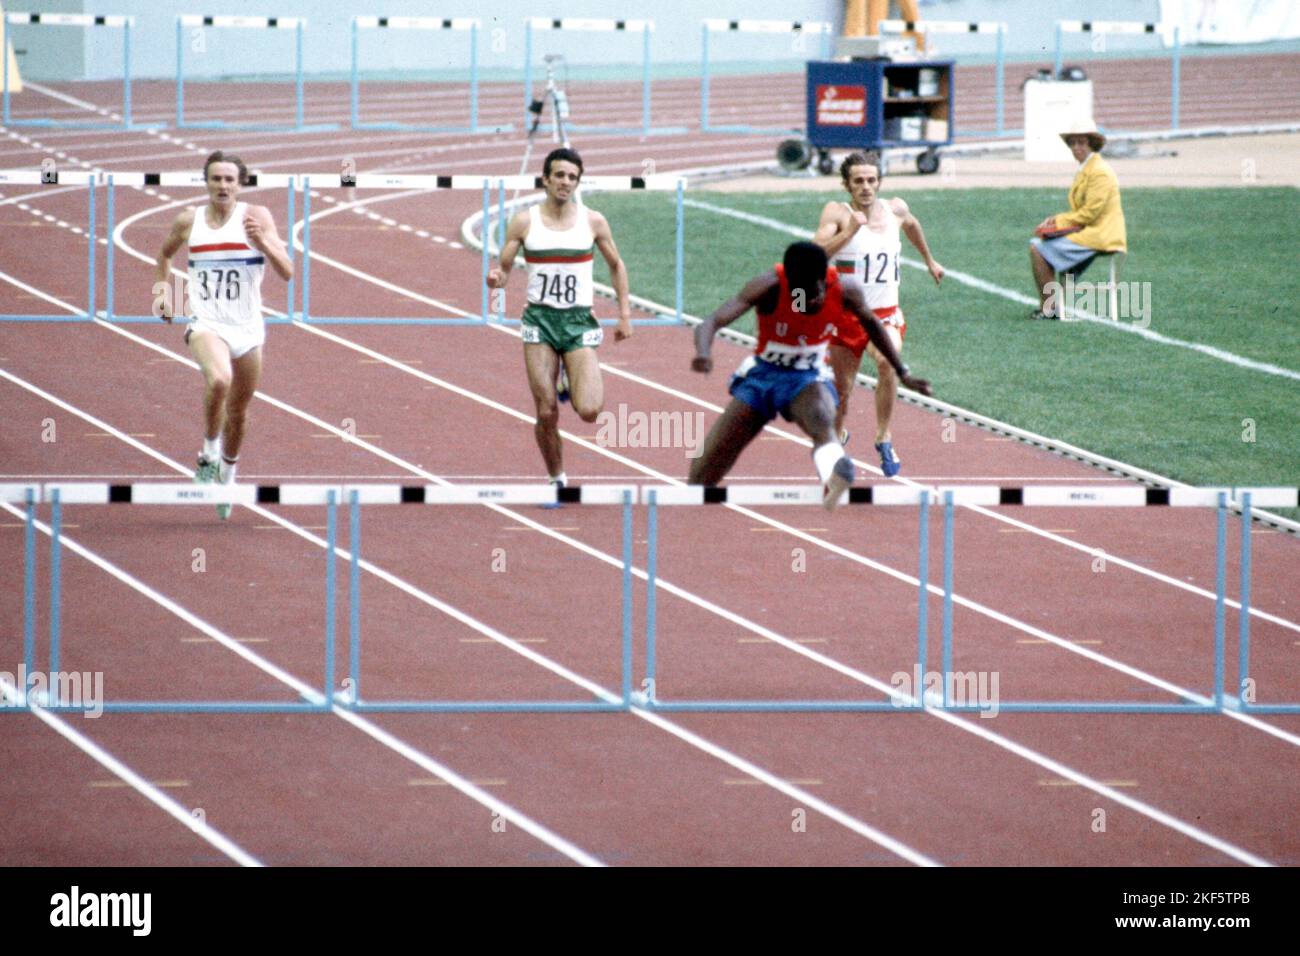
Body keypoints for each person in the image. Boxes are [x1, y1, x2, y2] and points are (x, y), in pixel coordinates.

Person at [689, 241, 933, 511]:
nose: (809, 301)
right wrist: (703, 352)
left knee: (820, 415)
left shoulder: (844, 290)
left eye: (815, 293)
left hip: (806, 377)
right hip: (763, 377)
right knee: (700, 478)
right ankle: (700, 484)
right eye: (800, 294)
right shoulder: (768, 286)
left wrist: (902, 371)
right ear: (790, 282)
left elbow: (873, 326)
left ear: (824, 280)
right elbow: (710, 322)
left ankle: (835, 471)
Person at [154, 150, 293, 519]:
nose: (222, 185)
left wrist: (262, 244)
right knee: (219, 380)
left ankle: (227, 476)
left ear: (240, 183)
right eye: (216, 178)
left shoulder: (256, 217)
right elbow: (164, 254)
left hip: (247, 326)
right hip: (206, 321)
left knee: (239, 411)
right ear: (206, 182)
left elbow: (288, 271)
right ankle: (208, 455)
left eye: (229, 179)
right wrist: (164, 295)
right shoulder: (189, 220)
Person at [486, 147, 633, 490]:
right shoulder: (524, 221)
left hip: (579, 322)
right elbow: (503, 271)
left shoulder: (593, 221)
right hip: (539, 322)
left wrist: (624, 315)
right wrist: (496, 281)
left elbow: (616, 265)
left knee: (590, 410)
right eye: (560, 176)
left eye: (572, 177)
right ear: (546, 180)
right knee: (546, 411)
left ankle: (568, 374)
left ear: (578, 182)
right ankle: (557, 478)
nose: (566, 182)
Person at [813, 150, 943, 478]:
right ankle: (837, 440)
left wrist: (929, 260)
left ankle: (883, 436)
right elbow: (814, 255)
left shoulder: (895, 209)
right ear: (847, 185)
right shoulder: (837, 213)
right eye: (858, 181)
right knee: (843, 392)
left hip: (885, 314)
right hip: (847, 318)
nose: (866, 187)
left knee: (888, 363)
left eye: (872, 180)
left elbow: (912, 226)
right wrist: (848, 234)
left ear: (879, 183)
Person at [1029, 122, 1127, 320]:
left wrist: (1057, 221)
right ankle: (1053, 304)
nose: (1076, 148)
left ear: (1092, 144)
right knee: (1042, 244)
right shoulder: (1088, 168)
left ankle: (1050, 308)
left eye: (1081, 143)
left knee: (1037, 248)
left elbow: (1090, 213)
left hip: (1102, 235)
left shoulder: (1099, 171)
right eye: (1073, 143)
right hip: (1090, 231)